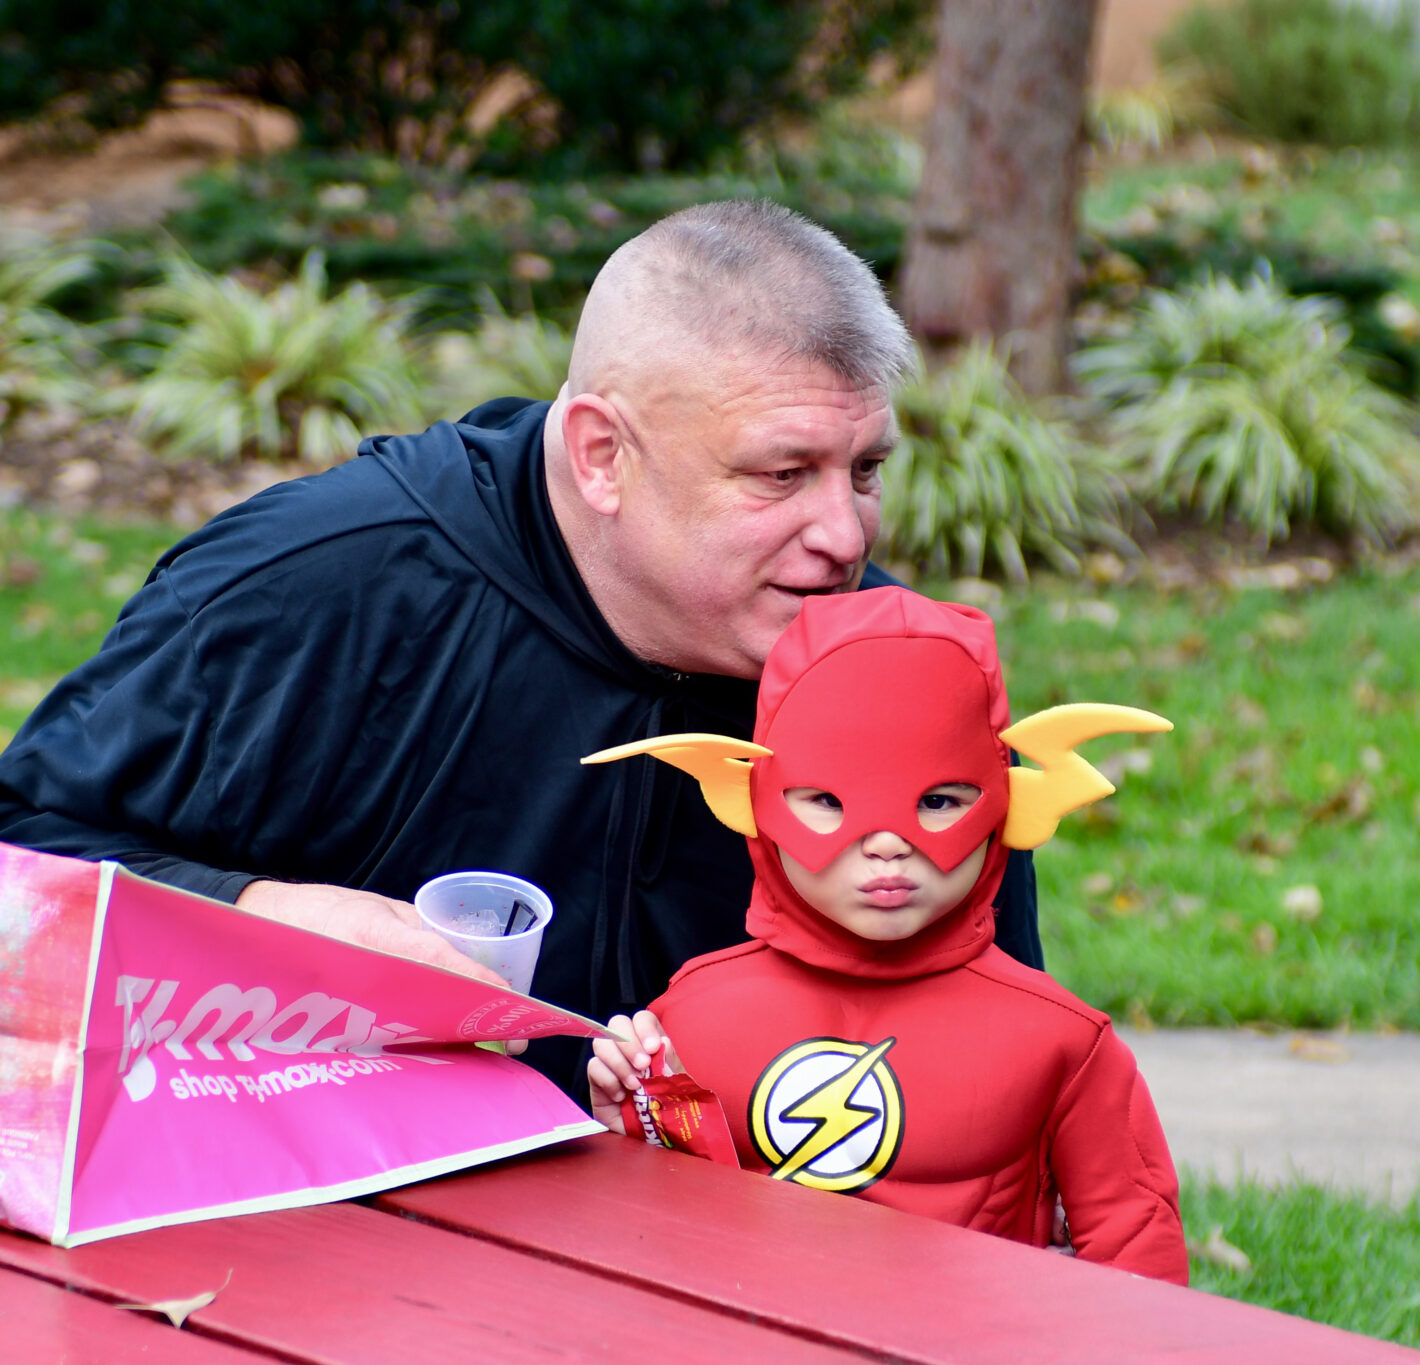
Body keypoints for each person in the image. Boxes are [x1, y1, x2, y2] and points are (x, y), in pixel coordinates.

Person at [0, 201, 1040, 1097]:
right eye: (780, 475)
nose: (845, 538)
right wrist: (260, 914)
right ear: (602, 455)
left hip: (760, 1262)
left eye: (862, 470)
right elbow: (23, 862)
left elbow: (1006, 1055)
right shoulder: (320, 588)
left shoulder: (905, 681)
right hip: (340, 1243)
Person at [584, 585, 1189, 1283]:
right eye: (829, 801)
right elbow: (643, 1247)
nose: (887, 845)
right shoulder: (689, 1019)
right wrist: (625, 1125)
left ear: (1011, 800)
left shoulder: (1063, 1044)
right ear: (749, 798)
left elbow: (1141, 1262)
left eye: (938, 801)